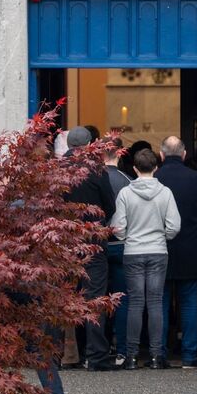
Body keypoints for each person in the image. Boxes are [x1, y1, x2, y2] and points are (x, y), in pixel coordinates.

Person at [111, 148, 181, 370]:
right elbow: (174, 226)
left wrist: (128, 237)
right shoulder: (165, 192)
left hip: (133, 251)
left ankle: (131, 356)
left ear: (134, 168)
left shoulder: (125, 193)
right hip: (158, 251)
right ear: (156, 167)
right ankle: (155, 356)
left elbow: (117, 227)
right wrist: (162, 236)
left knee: (135, 302)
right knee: (155, 302)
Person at [63, 126, 121, 372]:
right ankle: (96, 355)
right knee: (94, 296)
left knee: (64, 296)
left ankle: (62, 355)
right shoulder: (97, 170)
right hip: (93, 240)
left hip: (63, 240)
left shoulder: (56, 169)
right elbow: (109, 204)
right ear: (89, 145)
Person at [155, 136, 197, 369]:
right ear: (184, 154)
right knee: (188, 303)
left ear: (161, 155)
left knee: (161, 302)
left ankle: (160, 353)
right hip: (189, 247)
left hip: (160, 247)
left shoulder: (155, 178)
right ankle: (189, 355)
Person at [103, 139, 133, 362]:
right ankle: (122, 348)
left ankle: (96, 349)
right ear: (120, 154)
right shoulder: (127, 181)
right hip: (121, 244)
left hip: (98, 245)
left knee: (96, 299)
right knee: (122, 299)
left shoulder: (91, 178)